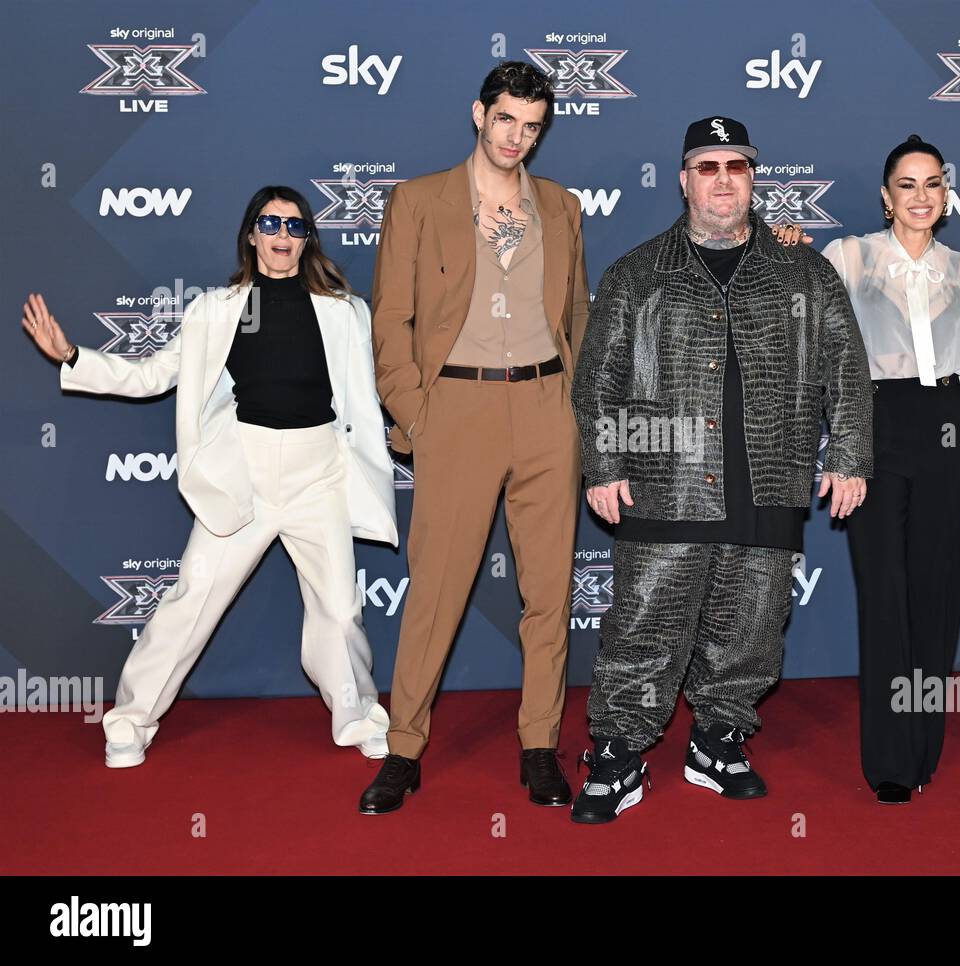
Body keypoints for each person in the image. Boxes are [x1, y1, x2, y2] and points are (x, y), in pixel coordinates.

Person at [20, 185, 397, 768]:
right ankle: (130, 721)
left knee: (339, 607)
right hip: (242, 474)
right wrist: (73, 356)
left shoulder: (344, 311)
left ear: (307, 240)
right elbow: (152, 375)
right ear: (251, 234)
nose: (282, 238)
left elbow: (371, 392)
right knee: (191, 599)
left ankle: (356, 713)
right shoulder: (220, 309)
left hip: (319, 471)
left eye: (295, 228)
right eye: (271, 225)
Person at [568, 116, 872, 824]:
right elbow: (597, 382)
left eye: (736, 166)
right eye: (708, 167)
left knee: (753, 624)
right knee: (643, 624)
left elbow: (847, 371)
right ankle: (617, 753)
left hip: (771, 474)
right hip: (662, 477)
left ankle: (719, 740)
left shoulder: (805, 269)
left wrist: (851, 455)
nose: (723, 180)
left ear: (752, 178)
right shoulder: (637, 273)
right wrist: (604, 464)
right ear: (684, 180)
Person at [360, 62, 590, 814]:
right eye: (505, 121)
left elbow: (577, 318)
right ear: (478, 115)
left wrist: (577, 410)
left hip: (547, 406)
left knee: (549, 594)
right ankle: (403, 749)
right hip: (456, 408)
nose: (516, 137)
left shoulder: (561, 207)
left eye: (531, 126)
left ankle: (538, 746)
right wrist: (416, 413)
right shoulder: (419, 200)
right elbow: (390, 317)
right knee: (435, 590)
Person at [823, 135, 960, 805]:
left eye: (932, 184)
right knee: (886, 596)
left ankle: (925, 746)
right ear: (885, 195)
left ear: (945, 195)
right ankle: (891, 760)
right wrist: (841, 450)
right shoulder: (851, 257)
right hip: (874, 423)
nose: (920, 197)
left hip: (949, 427)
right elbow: (824, 353)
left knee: (936, 595)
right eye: (907, 184)